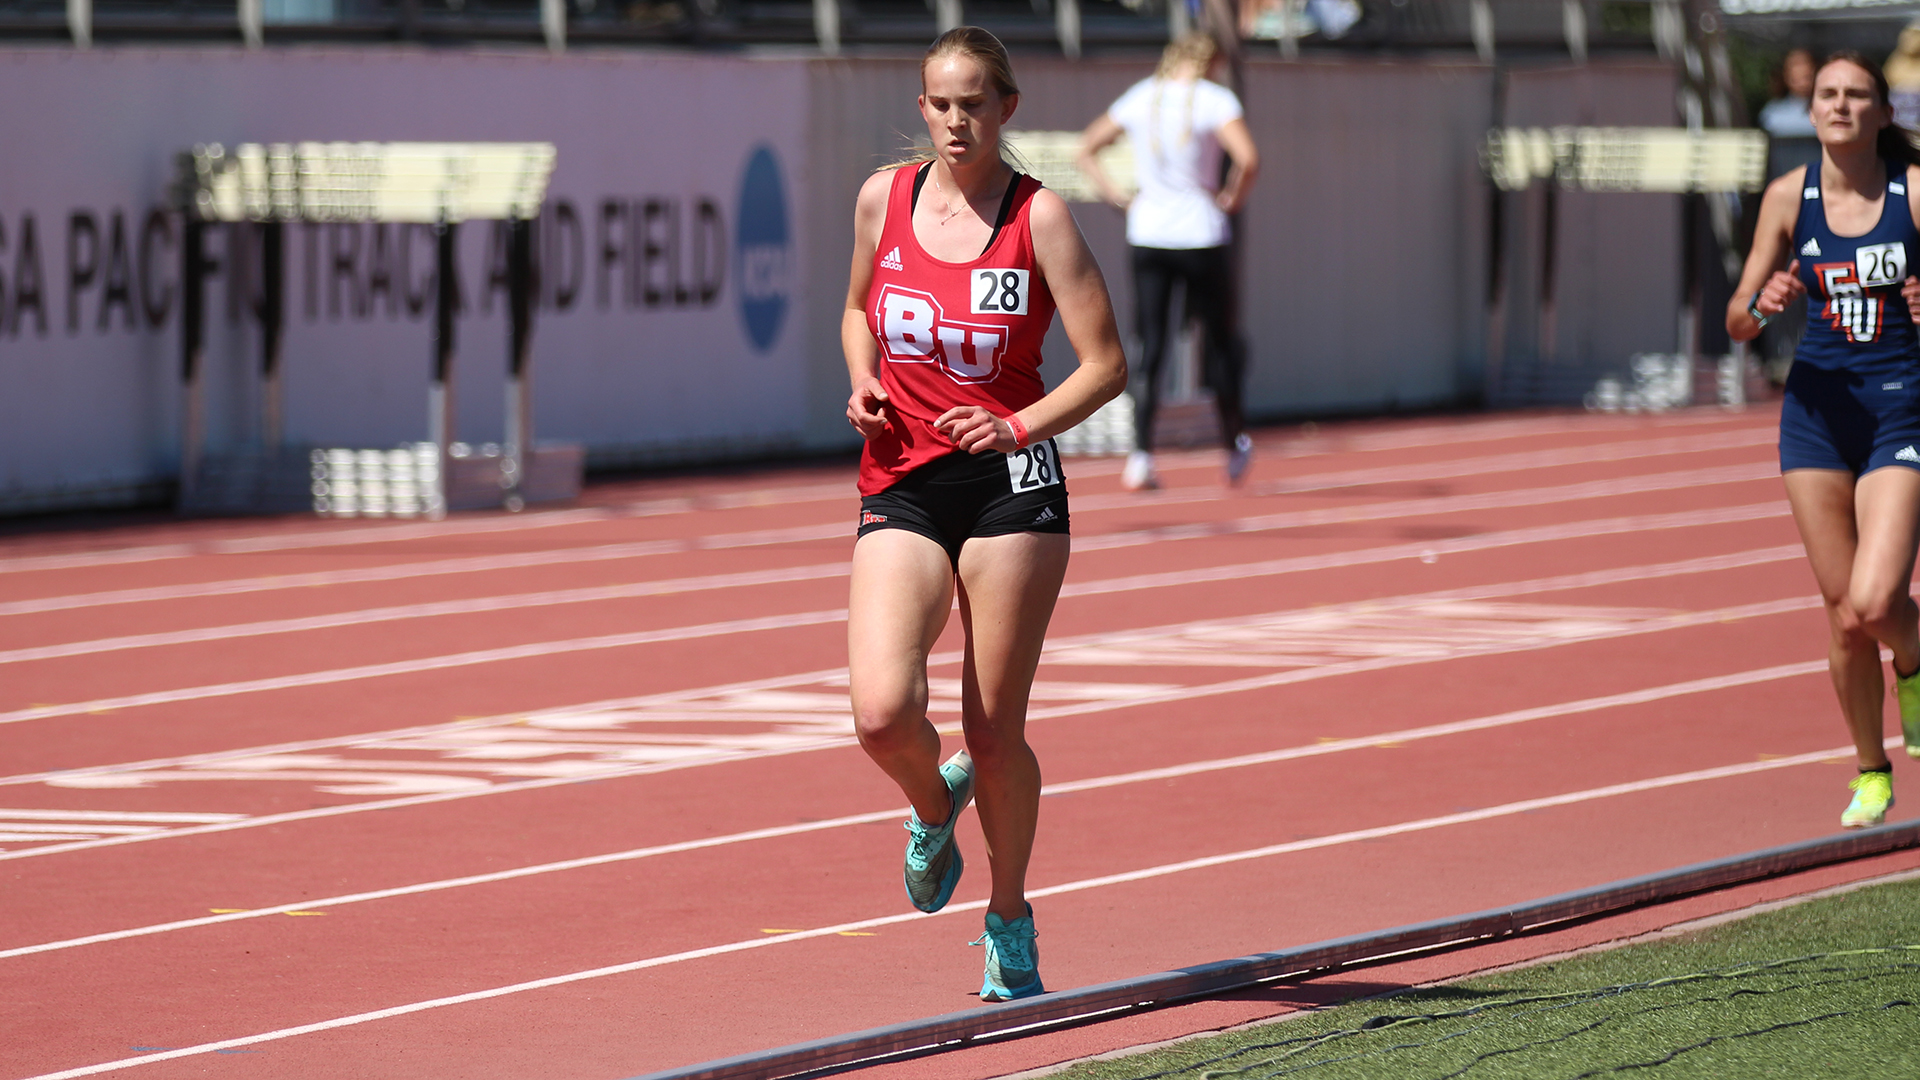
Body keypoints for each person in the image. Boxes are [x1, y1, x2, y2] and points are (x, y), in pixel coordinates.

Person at [842, 27, 1128, 1000]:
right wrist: (863, 379)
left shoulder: (1039, 217)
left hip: (1013, 489)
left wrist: (1016, 426)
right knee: (884, 714)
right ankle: (933, 807)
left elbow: (1105, 364)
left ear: (1007, 107)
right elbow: (853, 310)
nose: (955, 121)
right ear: (920, 108)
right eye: (939, 103)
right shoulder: (884, 197)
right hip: (904, 477)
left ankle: (1008, 916)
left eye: (973, 103)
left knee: (995, 730)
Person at [1729, 51, 1920, 830]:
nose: (1839, 106)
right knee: (1843, 614)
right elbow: (1738, 322)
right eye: (1827, 95)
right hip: (1813, 417)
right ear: (1811, 112)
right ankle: (1872, 770)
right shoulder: (1786, 197)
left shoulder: (1912, 192)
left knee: (1878, 602)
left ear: (1882, 112)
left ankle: (1914, 675)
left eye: (1856, 95)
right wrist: (1765, 303)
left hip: (1899, 409)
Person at [1078, 32, 1259, 492]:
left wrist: (1121, 198)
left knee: (1149, 344)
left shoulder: (1143, 96)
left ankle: (1140, 456)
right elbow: (1249, 159)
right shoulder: (1215, 99)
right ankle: (1234, 443)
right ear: (1211, 61)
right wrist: (1230, 200)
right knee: (1218, 341)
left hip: (1150, 232)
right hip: (1202, 233)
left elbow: (1086, 147)